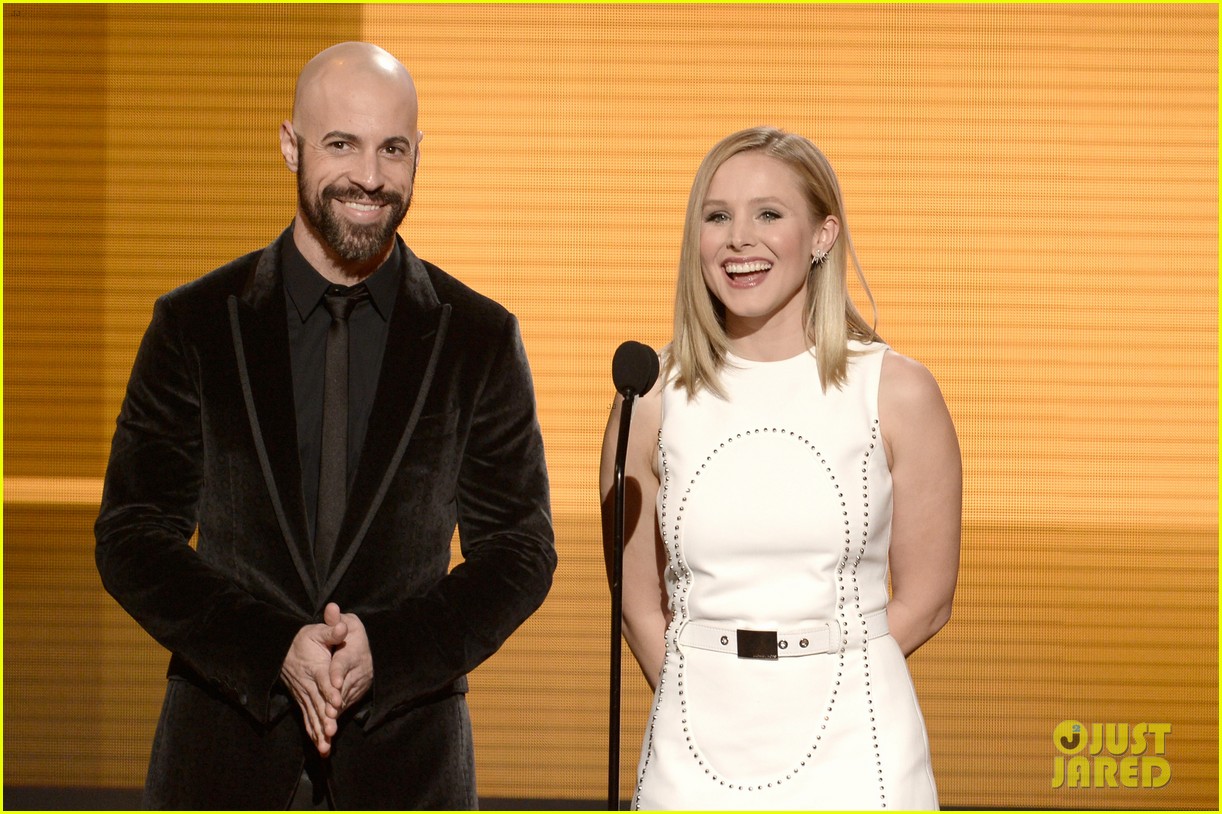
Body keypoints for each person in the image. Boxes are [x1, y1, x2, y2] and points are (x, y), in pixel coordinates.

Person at [95, 42, 556, 809]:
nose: (369, 176)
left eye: (392, 149)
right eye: (341, 143)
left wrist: (392, 653)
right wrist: (271, 648)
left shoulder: (479, 336)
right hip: (221, 762)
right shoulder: (196, 324)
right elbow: (133, 534)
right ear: (290, 145)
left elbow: (520, 551)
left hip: (409, 767)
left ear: (417, 156)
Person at [600, 127, 960, 810]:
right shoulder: (649, 397)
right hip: (692, 747)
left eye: (768, 214)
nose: (739, 238)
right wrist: (704, 689)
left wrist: (823, 672)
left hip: (858, 744)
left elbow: (928, 599)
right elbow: (639, 604)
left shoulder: (898, 391)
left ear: (822, 235)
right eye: (717, 216)